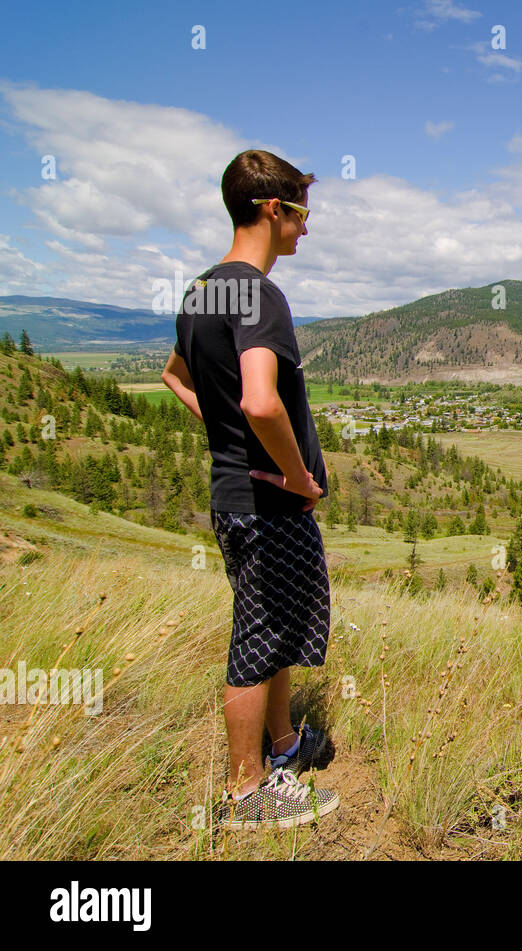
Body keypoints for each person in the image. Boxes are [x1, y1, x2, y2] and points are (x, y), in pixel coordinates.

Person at [161, 149, 338, 829]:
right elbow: (264, 402)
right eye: (300, 213)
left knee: (278, 630)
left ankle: (285, 745)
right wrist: (297, 476)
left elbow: (175, 376)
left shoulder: (202, 291)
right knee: (259, 638)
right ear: (271, 209)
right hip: (268, 504)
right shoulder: (261, 294)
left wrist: (223, 422)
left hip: (236, 494)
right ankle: (246, 791)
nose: (305, 229)